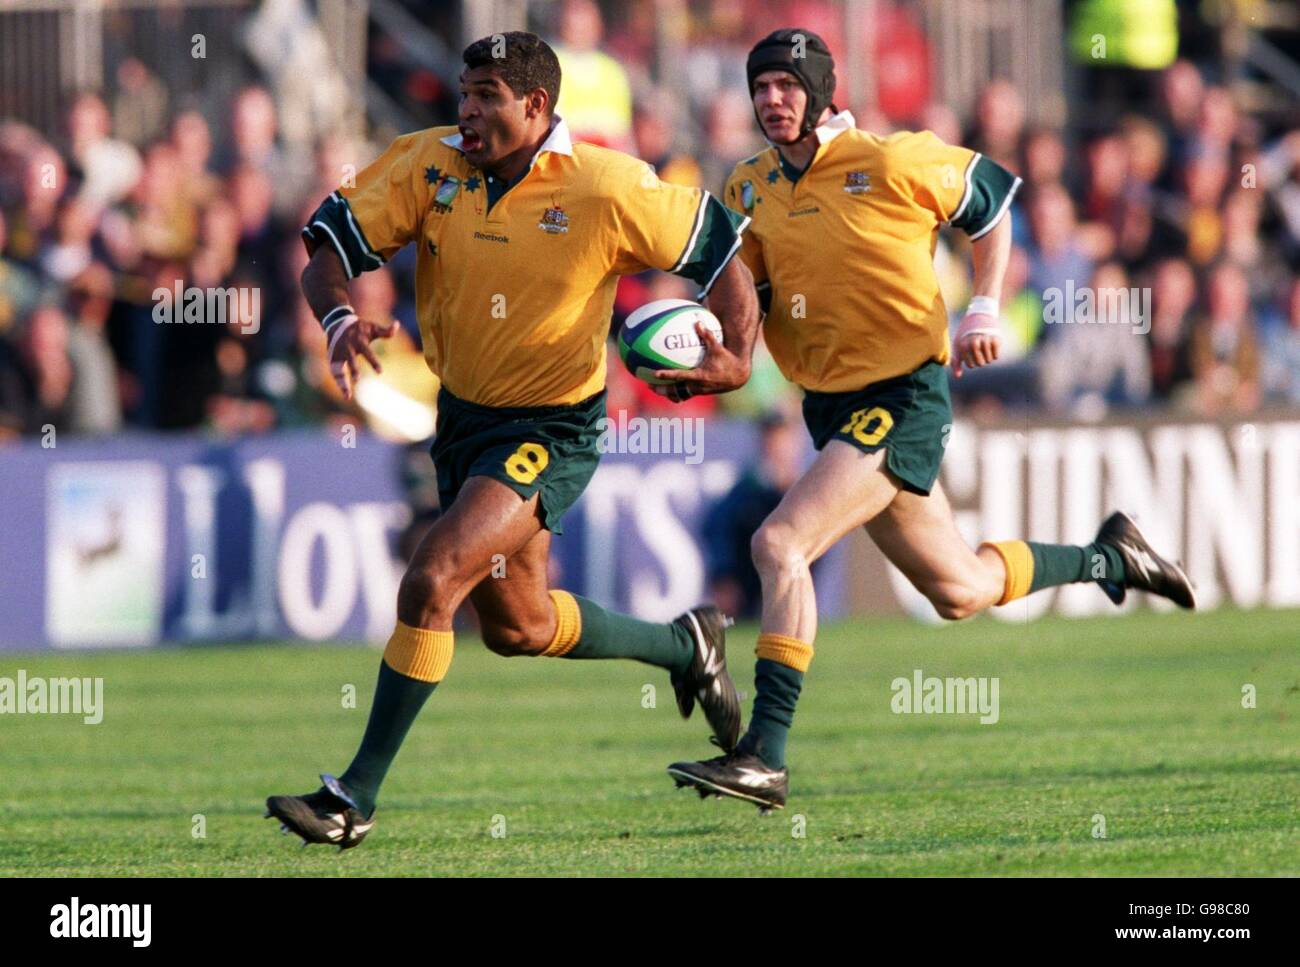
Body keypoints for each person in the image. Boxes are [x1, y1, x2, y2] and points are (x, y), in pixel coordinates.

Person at [661, 29, 1197, 812]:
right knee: (960, 587)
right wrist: (709, 349)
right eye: (760, 87)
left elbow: (994, 205)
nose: (771, 100)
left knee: (780, 542)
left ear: (819, 91)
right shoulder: (746, 186)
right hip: (833, 407)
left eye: (786, 85)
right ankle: (1111, 558)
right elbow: (753, 304)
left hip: (902, 399)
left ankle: (765, 755)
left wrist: (984, 306)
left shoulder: (891, 160)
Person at [265, 31, 760, 849]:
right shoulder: (428, 163)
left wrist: (737, 357)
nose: (465, 110)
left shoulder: (604, 184)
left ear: (536, 106)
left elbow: (721, 243)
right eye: (463, 91)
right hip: (462, 421)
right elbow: (325, 246)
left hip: (551, 427)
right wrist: (339, 314)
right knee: (519, 627)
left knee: (431, 577)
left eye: (487, 95)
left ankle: (352, 796)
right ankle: (686, 644)